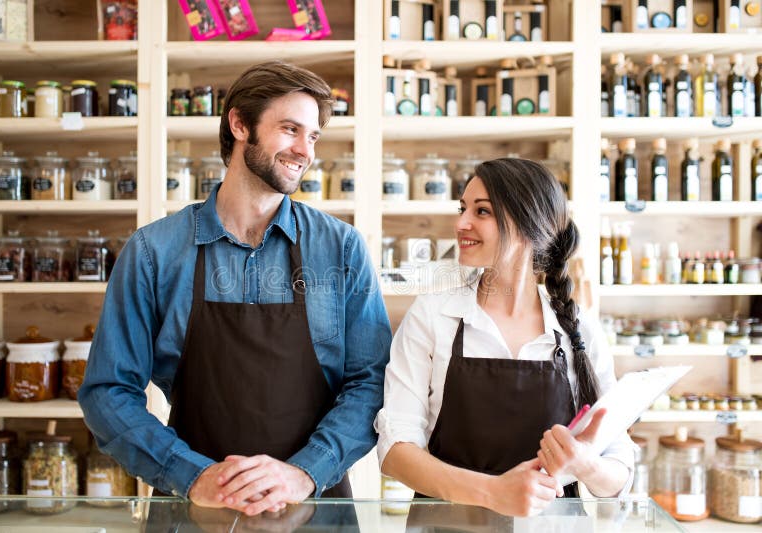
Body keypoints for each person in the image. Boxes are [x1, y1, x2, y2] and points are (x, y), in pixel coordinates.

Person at [79, 61, 392, 516]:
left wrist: (304, 472)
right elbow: (107, 391)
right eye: (290, 129)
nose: (304, 151)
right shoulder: (154, 252)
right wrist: (192, 474)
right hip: (194, 506)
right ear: (240, 124)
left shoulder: (340, 248)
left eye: (313, 136)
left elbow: (370, 382)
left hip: (311, 506)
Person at [375, 158, 634, 517]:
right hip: (447, 526)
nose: (461, 223)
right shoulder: (433, 317)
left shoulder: (578, 330)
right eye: (463, 209)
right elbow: (395, 451)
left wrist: (587, 465)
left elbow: (618, 474)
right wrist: (491, 492)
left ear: (529, 223)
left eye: (482, 211)